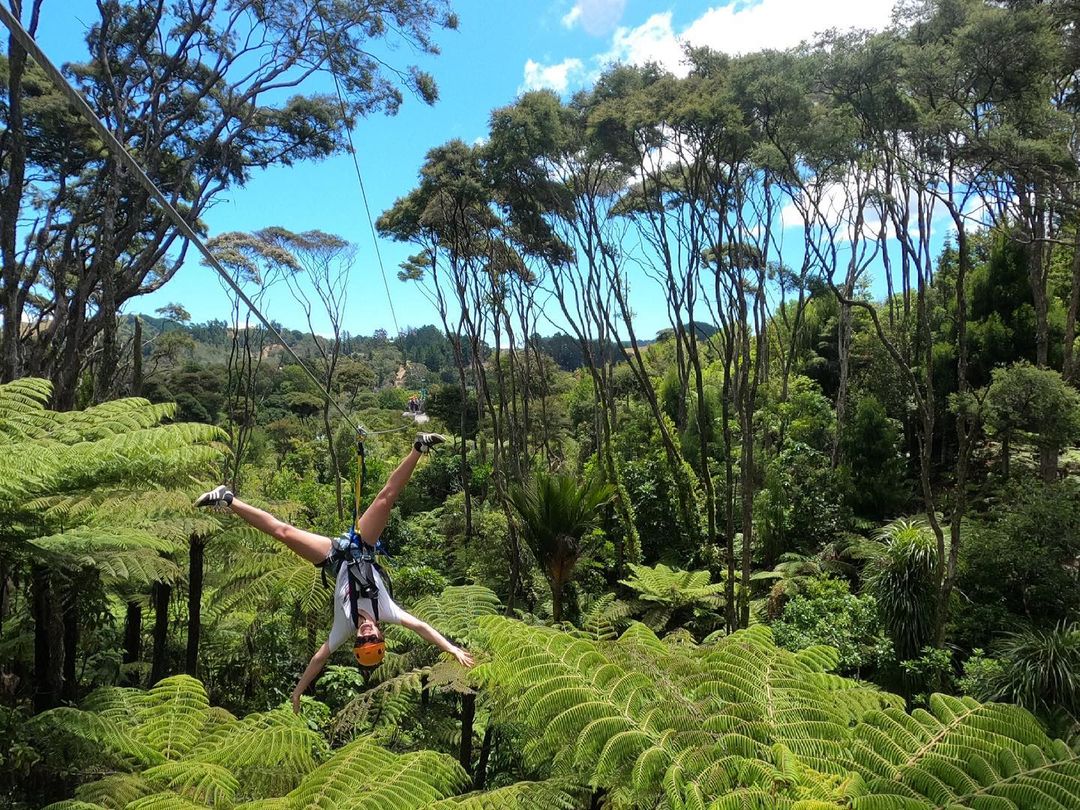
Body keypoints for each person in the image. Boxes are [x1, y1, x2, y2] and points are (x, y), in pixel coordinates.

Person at [195, 432, 473, 713]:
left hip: (334, 557)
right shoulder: (387, 611)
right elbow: (423, 628)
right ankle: (419, 447)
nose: (366, 634)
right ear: (380, 634)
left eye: (362, 641)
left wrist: (297, 692)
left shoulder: (344, 628)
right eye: (372, 639)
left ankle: (227, 499)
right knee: (385, 499)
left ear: (356, 641)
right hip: (363, 546)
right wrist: (451, 649)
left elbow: (318, 660)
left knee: (283, 532)